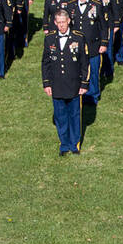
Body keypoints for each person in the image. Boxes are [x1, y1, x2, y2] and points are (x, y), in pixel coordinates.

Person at [42, 9, 91, 154]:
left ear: (69, 21)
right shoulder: (50, 39)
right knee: (60, 116)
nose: (62, 25)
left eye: (64, 22)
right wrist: (46, 83)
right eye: (59, 23)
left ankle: (74, 144)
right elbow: (45, 63)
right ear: (55, 23)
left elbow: (85, 63)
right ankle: (63, 144)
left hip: (74, 84)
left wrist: (84, 84)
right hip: (57, 84)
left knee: (75, 115)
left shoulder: (79, 38)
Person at [70, 0, 109, 103]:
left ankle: (93, 95)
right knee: (76, 71)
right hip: (76, 46)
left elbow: (103, 26)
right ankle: (78, 94)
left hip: (93, 45)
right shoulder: (71, 6)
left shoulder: (96, 5)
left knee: (93, 71)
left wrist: (103, 43)